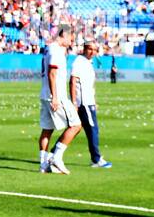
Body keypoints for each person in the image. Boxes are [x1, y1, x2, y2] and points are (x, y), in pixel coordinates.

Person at [38, 24, 81, 174]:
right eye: (71, 38)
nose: (71, 42)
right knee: (76, 125)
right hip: (56, 95)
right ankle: (57, 157)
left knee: (47, 129)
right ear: (64, 35)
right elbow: (52, 74)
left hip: (45, 94)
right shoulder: (56, 50)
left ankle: (43, 165)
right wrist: (55, 97)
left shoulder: (49, 48)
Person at [69, 40, 112, 169]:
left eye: (95, 49)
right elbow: (72, 81)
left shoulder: (88, 62)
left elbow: (89, 85)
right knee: (92, 130)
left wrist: (94, 100)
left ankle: (54, 154)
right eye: (90, 49)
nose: (92, 52)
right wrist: (74, 101)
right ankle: (96, 159)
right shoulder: (79, 62)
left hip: (89, 101)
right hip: (84, 103)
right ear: (84, 49)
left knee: (75, 128)